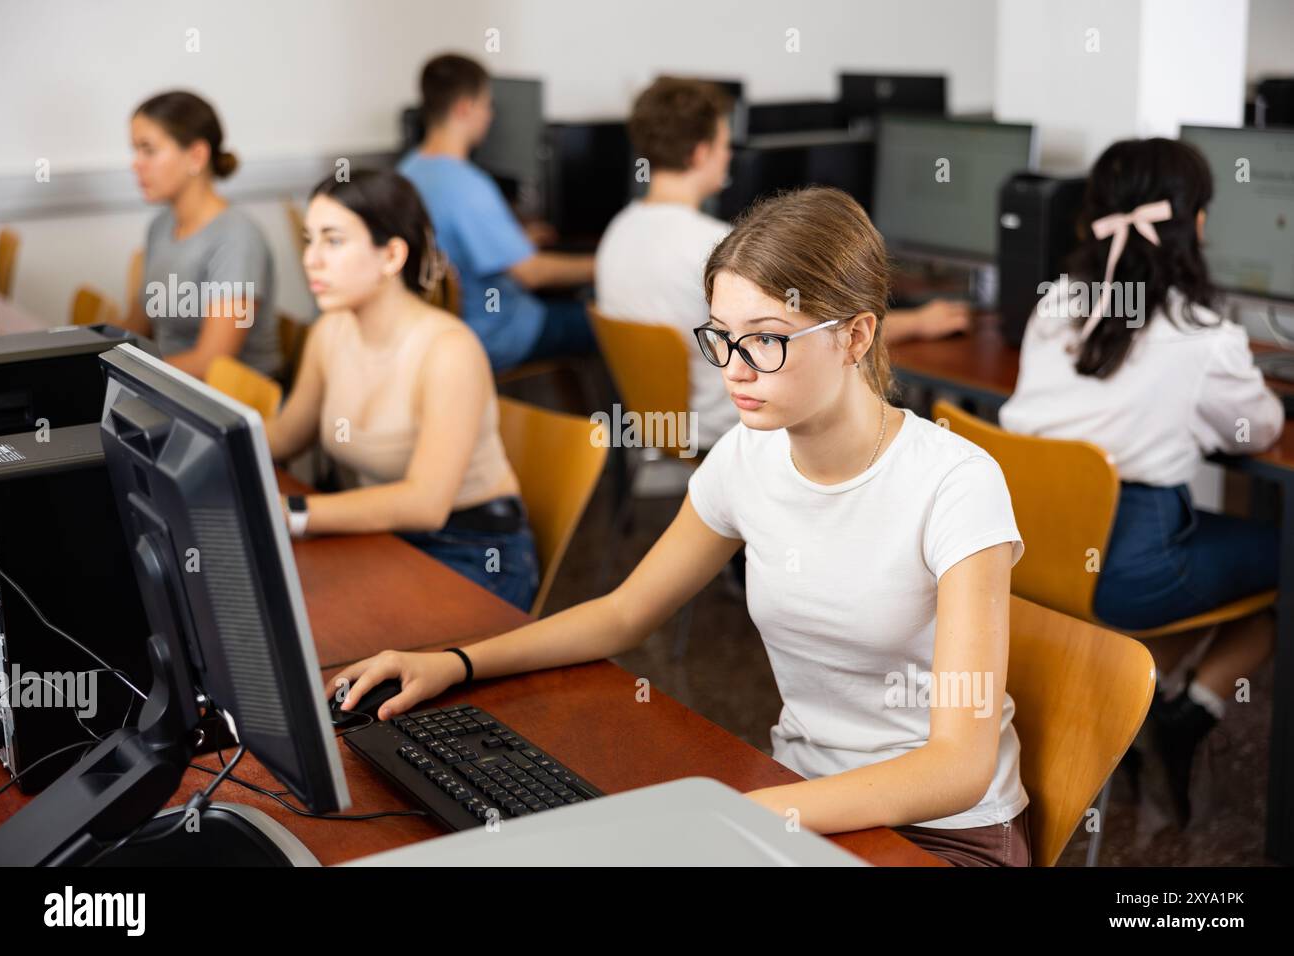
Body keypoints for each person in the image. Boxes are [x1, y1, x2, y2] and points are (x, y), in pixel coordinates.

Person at [329, 187, 1032, 866]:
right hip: (801, 802)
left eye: (766, 341)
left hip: (941, 836)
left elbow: (958, 768)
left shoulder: (954, 484)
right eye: (721, 338)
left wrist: (748, 815)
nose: (733, 368)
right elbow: (624, 612)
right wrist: (455, 662)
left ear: (854, 336)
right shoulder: (748, 454)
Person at [998, 137, 1285, 825]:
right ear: (1198, 225)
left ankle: (1130, 703)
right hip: (1128, 568)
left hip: (1029, 553)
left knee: (1210, 562)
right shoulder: (1203, 333)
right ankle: (1186, 712)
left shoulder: (1055, 305)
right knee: (1279, 559)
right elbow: (1261, 429)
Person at [597, 76, 972, 451]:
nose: (729, 156)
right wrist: (922, 321)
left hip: (658, 422)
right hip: (731, 426)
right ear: (700, 153)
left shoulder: (618, 231)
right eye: (726, 144)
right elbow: (824, 335)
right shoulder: (722, 252)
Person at [265, 169, 539, 612]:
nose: (311, 259)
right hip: (385, 537)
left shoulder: (449, 350)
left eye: (332, 241)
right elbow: (286, 435)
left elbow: (425, 503)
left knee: (332, 632)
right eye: (309, 239)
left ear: (391, 255)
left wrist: (293, 512)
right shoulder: (330, 331)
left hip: (472, 548)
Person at [398, 54, 597, 372]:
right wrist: (602, 265)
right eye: (487, 105)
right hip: (495, 335)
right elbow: (532, 274)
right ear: (465, 108)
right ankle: (620, 423)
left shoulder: (408, 171)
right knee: (604, 321)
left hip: (440, 332)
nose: (490, 116)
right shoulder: (468, 185)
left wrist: (514, 240)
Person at [123, 90, 280, 379]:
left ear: (196, 156)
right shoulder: (160, 226)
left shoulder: (237, 237)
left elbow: (211, 363)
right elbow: (135, 329)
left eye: (148, 149)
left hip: (224, 402)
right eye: (135, 150)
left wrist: (127, 372)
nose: (136, 163)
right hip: (169, 387)